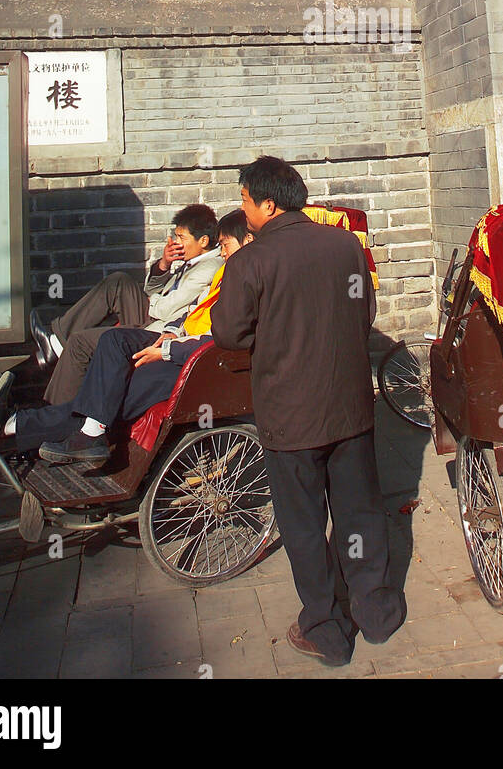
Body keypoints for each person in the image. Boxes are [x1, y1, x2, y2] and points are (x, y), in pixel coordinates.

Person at [211, 155, 406, 668]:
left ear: (268, 204)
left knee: (302, 525)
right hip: (349, 410)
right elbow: (364, 311)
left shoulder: (249, 262)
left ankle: (327, 629)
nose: (242, 208)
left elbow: (229, 333)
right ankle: (377, 612)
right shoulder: (345, 245)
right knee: (359, 512)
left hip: (289, 417)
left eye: (245, 200)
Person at [0, 210, 253, 459]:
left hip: (191, 356)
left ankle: (25, 425)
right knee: (112, 338)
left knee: (109, 377)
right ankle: (44, 422)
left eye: (226, 244)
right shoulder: (225, 272)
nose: (222, 252)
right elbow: (191, 314)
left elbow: (214, 333)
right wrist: (172, 326)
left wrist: (165, 347)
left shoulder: (224, 273)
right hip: (175, 336)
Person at [31, 203, 222, 405]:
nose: (177, 242)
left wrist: (152, 300)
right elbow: (150, 291)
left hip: (162, 328)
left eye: (182, 238)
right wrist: (164, 264)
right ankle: (56, 342)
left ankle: (55, 412)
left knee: (80, 341)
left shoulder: (209, 267)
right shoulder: (193, 259)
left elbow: (164, 309)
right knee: (118, 281)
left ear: (203, 240)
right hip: (154, 314)